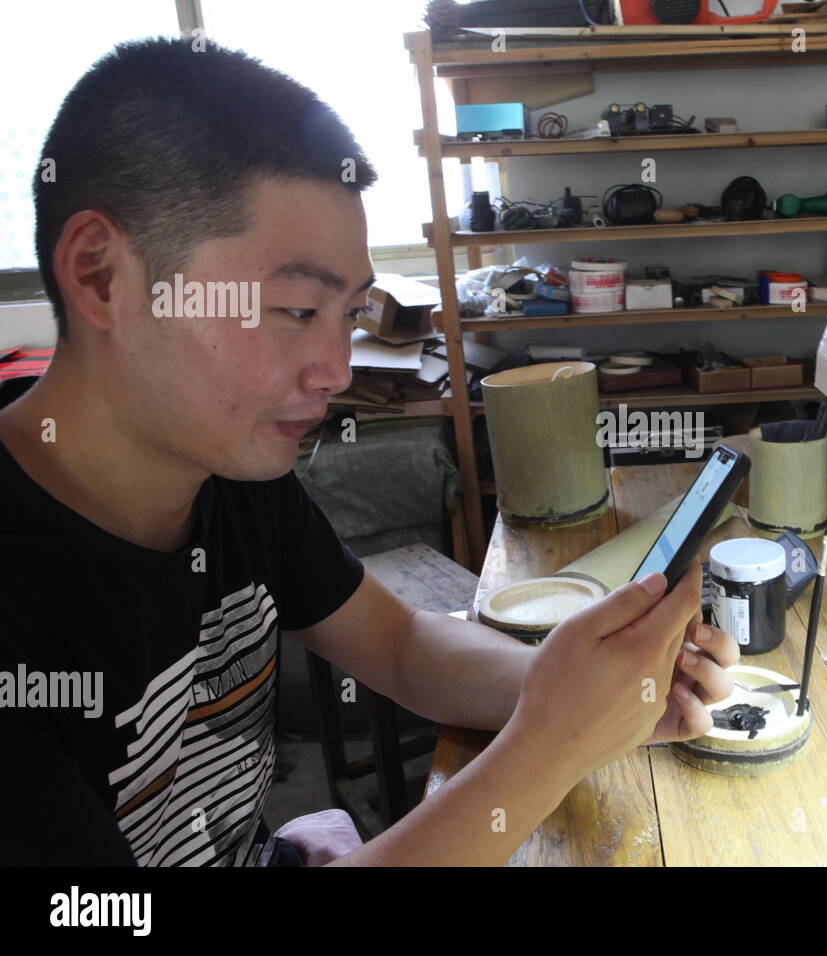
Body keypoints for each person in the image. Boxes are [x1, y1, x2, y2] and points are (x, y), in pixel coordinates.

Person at [0, 36, 737, 866]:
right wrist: (553, 745)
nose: (337, 370)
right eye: (294, 310)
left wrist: (589, 698)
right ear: (102, 276)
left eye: (348, 313)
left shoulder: (224, 465)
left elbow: (400, 646)